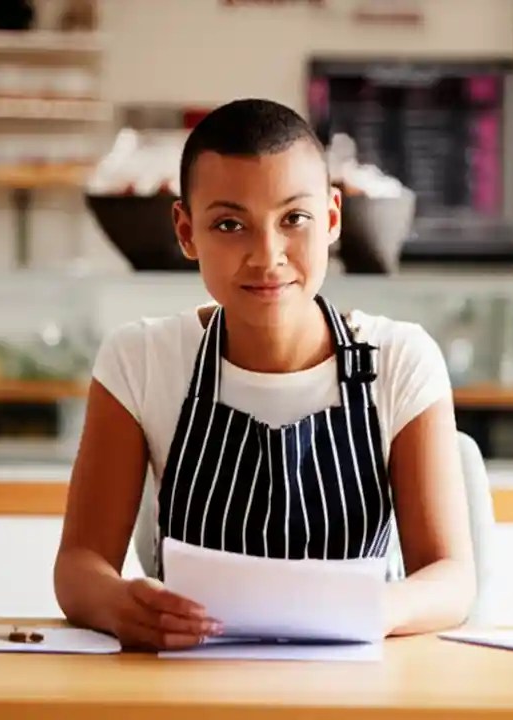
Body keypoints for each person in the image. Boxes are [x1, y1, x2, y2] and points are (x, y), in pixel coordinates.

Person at [54, 98, 474, 651]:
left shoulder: (400, 359)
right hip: (185, 688)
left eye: (293, 219)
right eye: (230, 224)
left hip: (358, 690)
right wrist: (119, 605)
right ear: (186, 231)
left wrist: (366, 609)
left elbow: (452, 578)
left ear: (331, 219)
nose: (266, 255)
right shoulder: (140, 360)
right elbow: (80, 567)